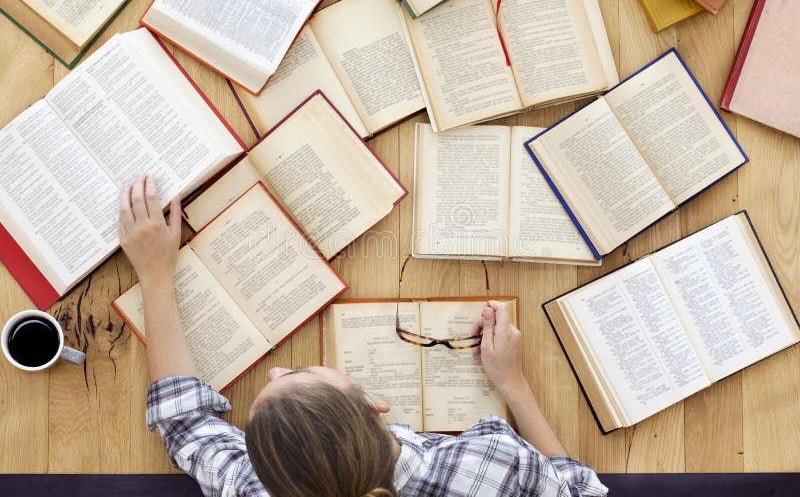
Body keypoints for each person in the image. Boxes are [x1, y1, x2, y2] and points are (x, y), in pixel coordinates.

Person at [120, 175, 608, 497]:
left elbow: (183, 422)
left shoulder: (257, 489)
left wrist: (155, 274)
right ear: (373, 404)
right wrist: (513, 384)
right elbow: (579, 490)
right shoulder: (491, 464)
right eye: (298, 372)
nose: (276, 368)